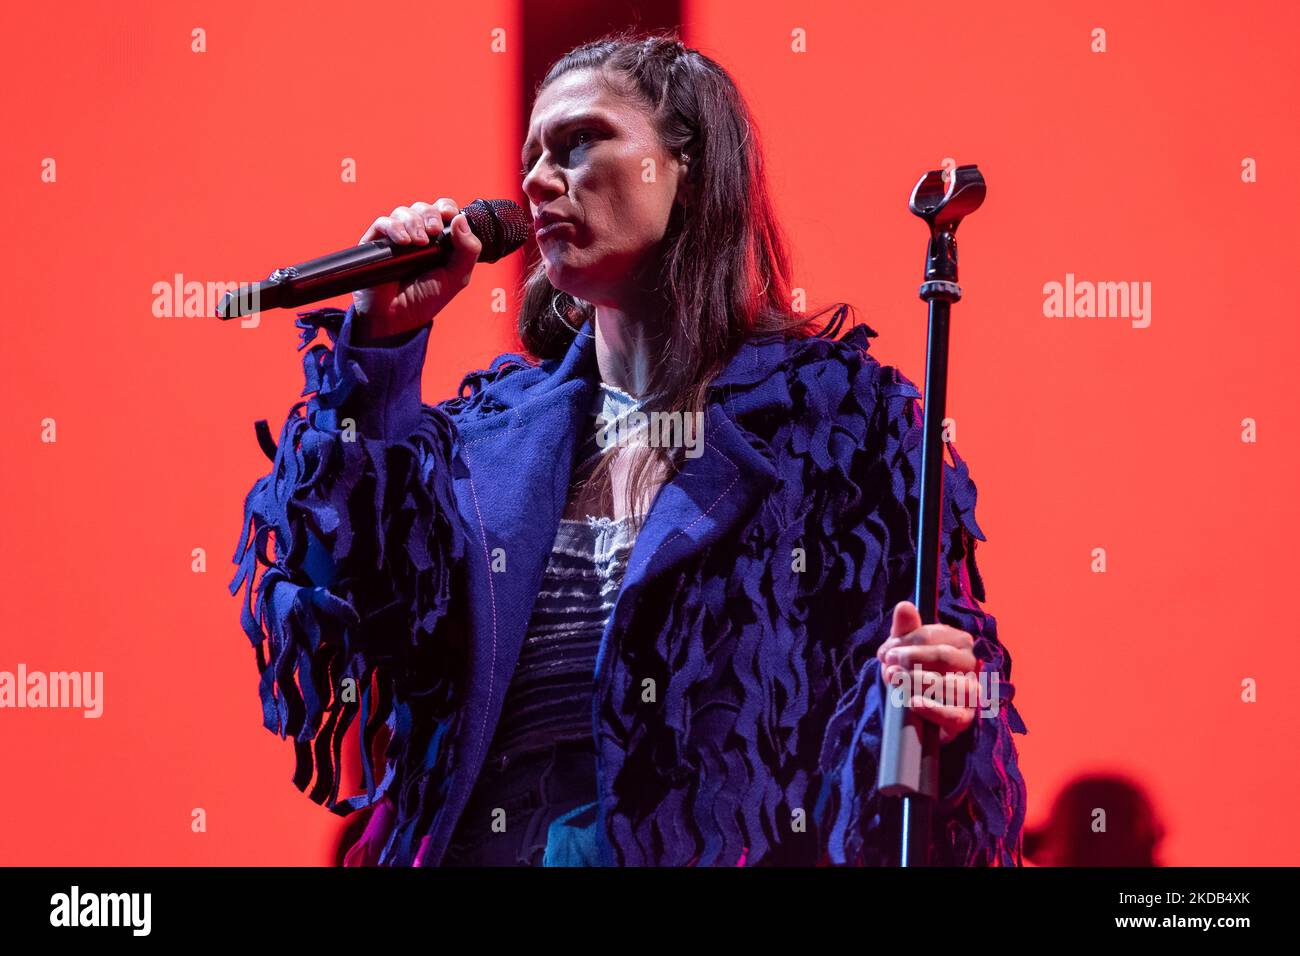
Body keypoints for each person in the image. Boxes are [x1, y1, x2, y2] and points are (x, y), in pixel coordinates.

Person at [230, 29, 1028, 867]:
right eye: (534, 154)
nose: (538, 182)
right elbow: (351, 601)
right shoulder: (489, 436)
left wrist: (930, 700)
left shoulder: (836, 426)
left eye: (579, 143)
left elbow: (908, 708)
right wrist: (381, 349)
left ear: (687, 169)